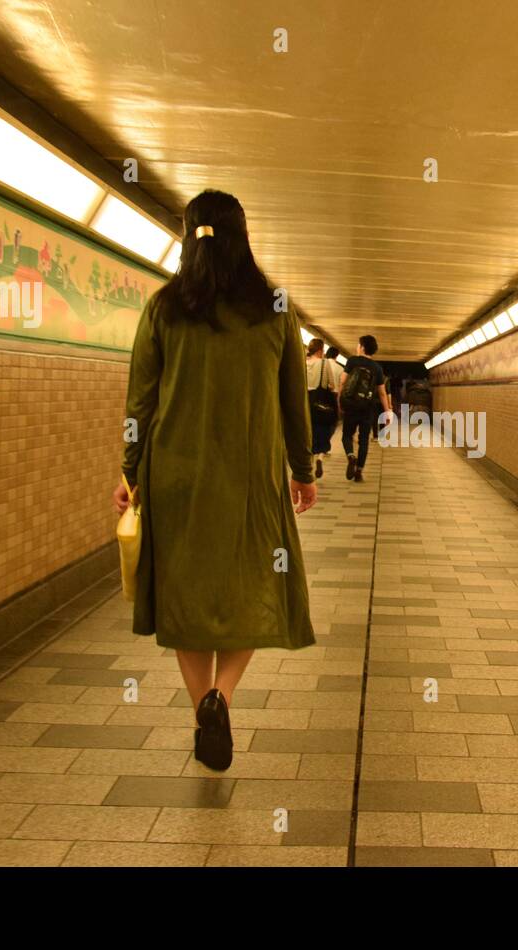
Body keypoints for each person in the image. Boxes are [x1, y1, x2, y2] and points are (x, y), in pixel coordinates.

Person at [112, 190, 317, 773]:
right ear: (242, 235)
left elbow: (140, 401)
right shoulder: (275, 308)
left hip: (174, 476)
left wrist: (130, 471)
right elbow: (291, 403)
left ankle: (199, 705)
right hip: (250, 480)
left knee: (188, 596)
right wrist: (303, 473)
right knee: (251, 590)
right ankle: (220, 698)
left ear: (187, 234)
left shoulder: (165, 307)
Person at [338, 334, 391, 482]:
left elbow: (342, 382)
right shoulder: (377, 368)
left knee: (347, 435)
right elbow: (382, 393)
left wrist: (339, 401)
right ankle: (359, 471)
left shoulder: (352, 361)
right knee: (364, 440)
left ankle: (350, 456)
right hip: (367, 407)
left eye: (357, 345)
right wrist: (387, 412)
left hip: (350, 405)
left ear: (362, 347)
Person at [305, 337, 340, 476]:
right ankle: (319, 458)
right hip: (321, 404)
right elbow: (331, 384)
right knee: (323, 431)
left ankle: (309, 462)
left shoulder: (303, 363)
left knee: (309, 433)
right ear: (320, 350)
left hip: (305, 403)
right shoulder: (324, 363)